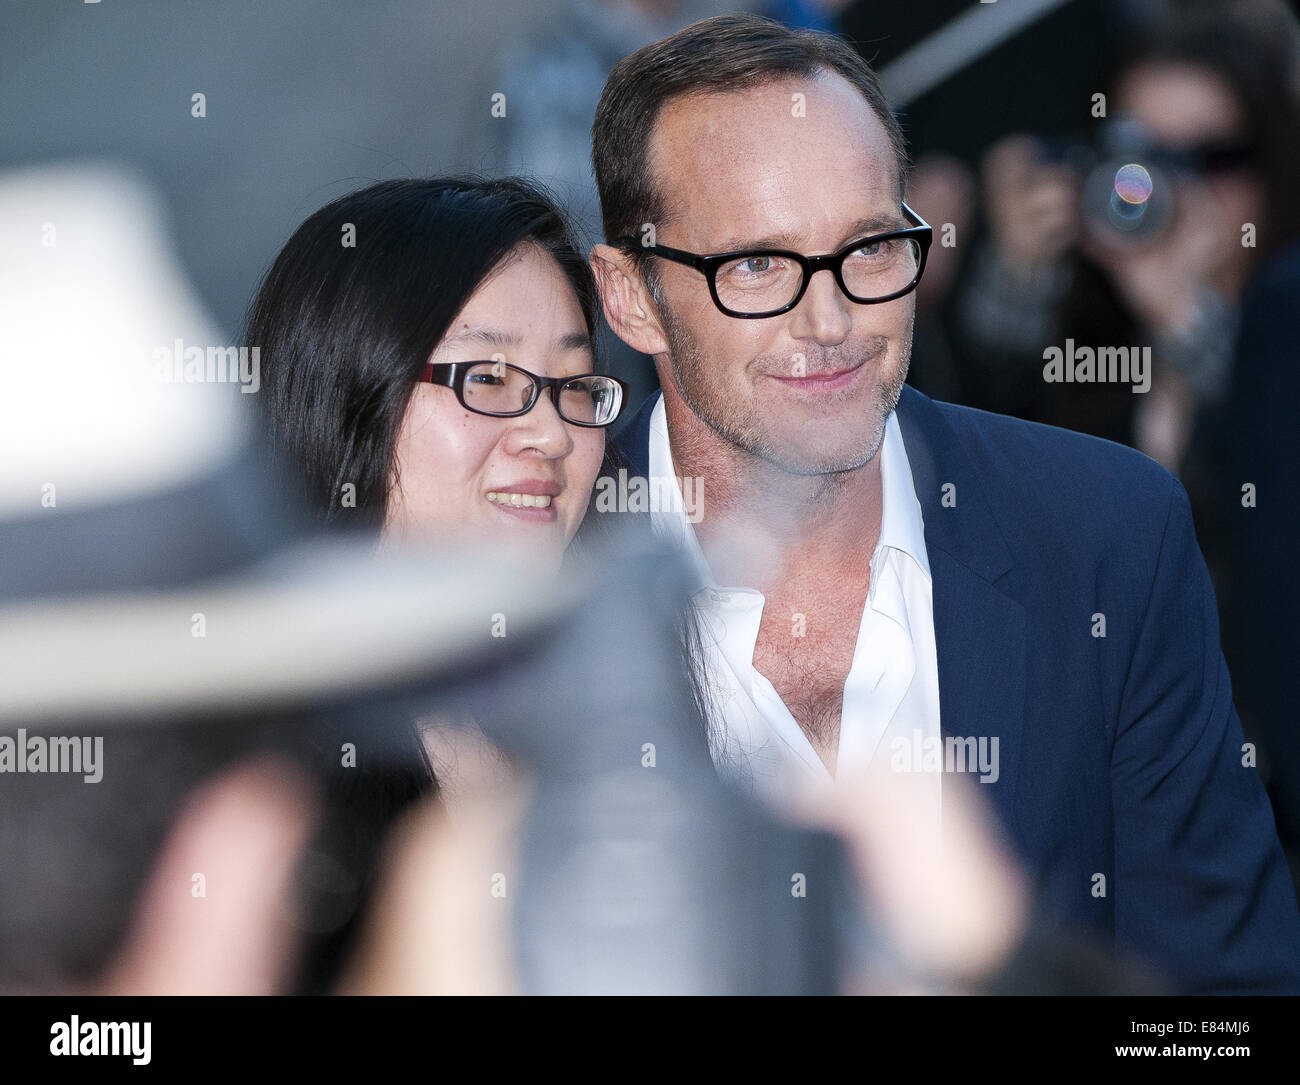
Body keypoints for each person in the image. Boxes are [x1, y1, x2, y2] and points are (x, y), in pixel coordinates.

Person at [589, 12, 1300, 993]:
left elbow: (1224, 1004)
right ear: (629, 295)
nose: (830, 319)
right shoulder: (531, 585)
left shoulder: (1106, 531)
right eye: (755, 263)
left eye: (871, 247)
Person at [246, 175, 628, 571]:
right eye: (489, 379)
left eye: (576, 385)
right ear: (348, 395)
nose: (553, 436)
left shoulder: (653, 622)